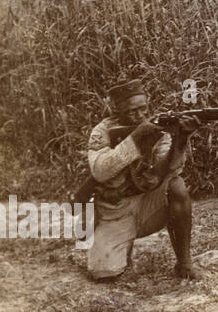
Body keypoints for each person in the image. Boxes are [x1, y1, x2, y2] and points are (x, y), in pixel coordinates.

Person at [82, 80, 199, 280]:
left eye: (143, 108)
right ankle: (120, 247)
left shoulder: (157, 127)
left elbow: (169, 169)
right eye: (132, 111)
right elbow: (100, 171)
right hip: (115, 211)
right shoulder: (101, 132)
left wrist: (180, 140)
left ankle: (184, 264)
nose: (140, 115)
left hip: (147, 205)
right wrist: (135, 137)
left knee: (176, 186)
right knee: (104, 273)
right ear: (117, 110)